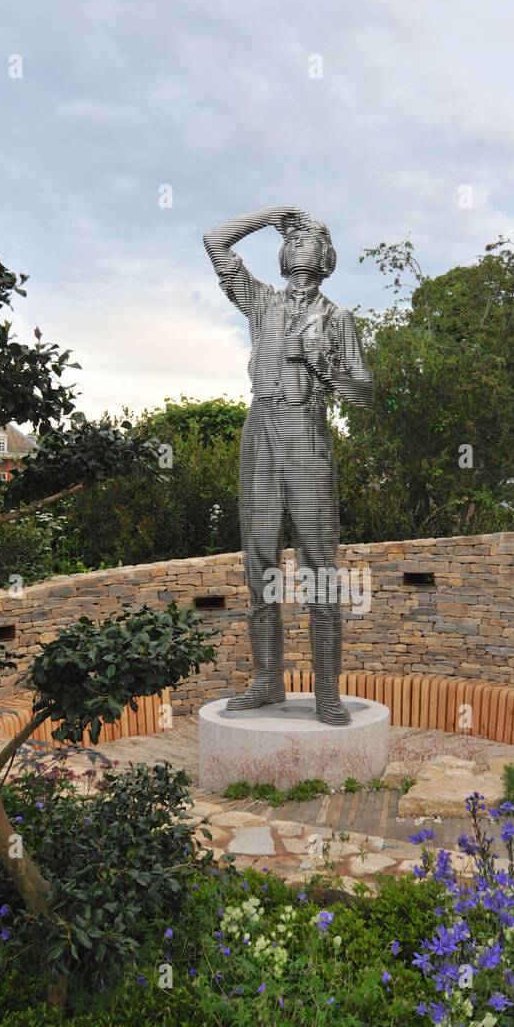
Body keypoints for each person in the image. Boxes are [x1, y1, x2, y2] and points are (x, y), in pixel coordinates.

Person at [203, 206, 373, 725]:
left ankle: (326, 691)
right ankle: (267, 681)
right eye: (294, 238)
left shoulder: (338, 318)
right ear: (282, 252)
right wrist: (274, 213)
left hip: (306, 432)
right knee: (260, 565)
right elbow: (214, 239)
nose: (300, 244)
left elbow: (363, 396)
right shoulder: (261, 303)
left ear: (326, 257)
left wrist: (322, 360)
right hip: (260, 432)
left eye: (311, 239)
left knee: (320, 567)